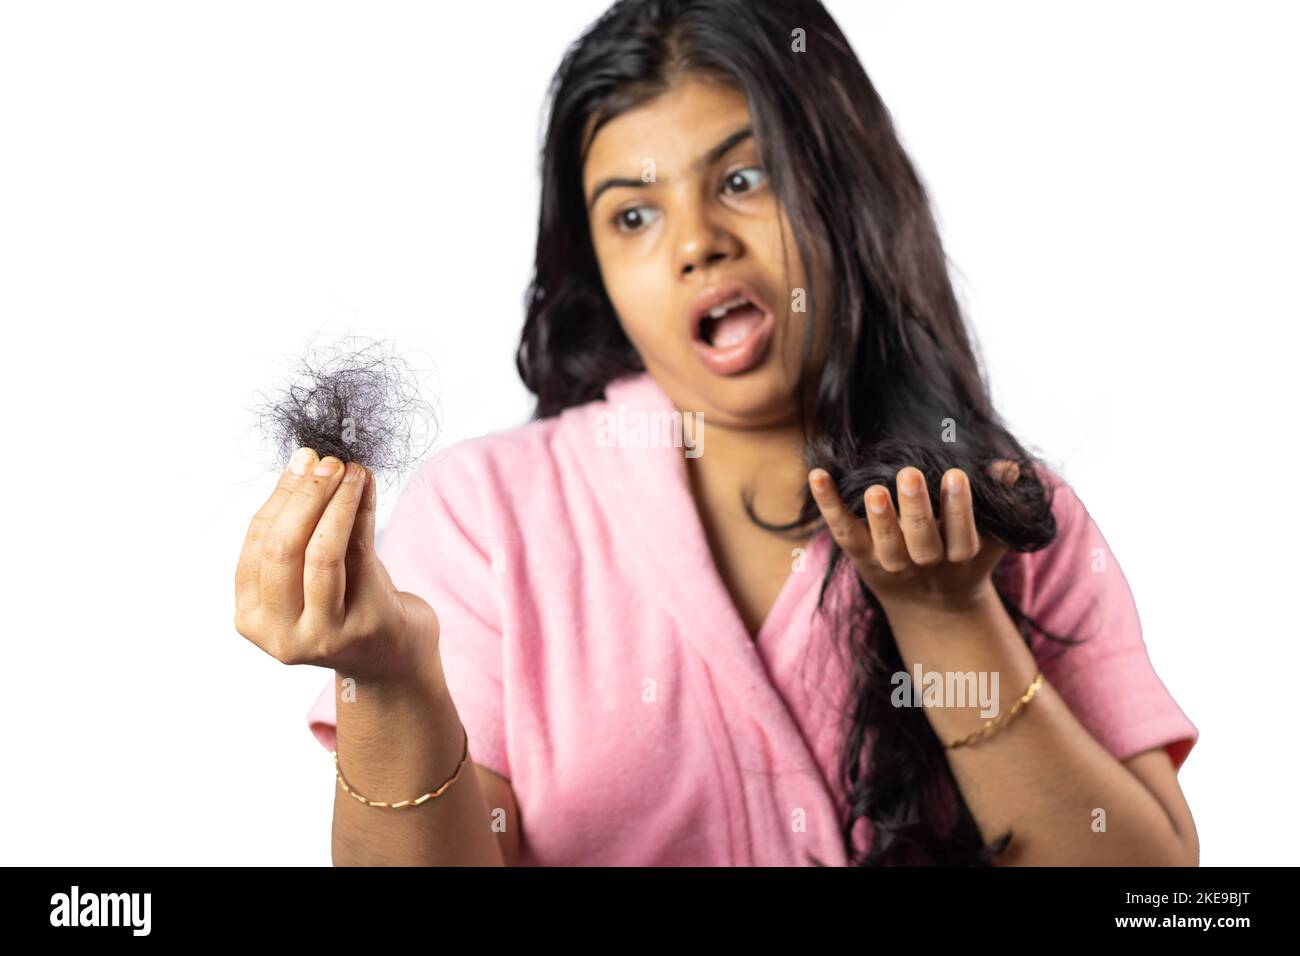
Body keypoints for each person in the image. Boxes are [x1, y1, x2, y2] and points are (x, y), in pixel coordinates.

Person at [236, 0, 1198, 866]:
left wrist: (948, 621)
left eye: (742, 177)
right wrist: (391, 682)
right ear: (598, 270)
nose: (696, 241)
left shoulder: (1006, 513)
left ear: (845, 193)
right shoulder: (482, 520)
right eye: (635, 215)